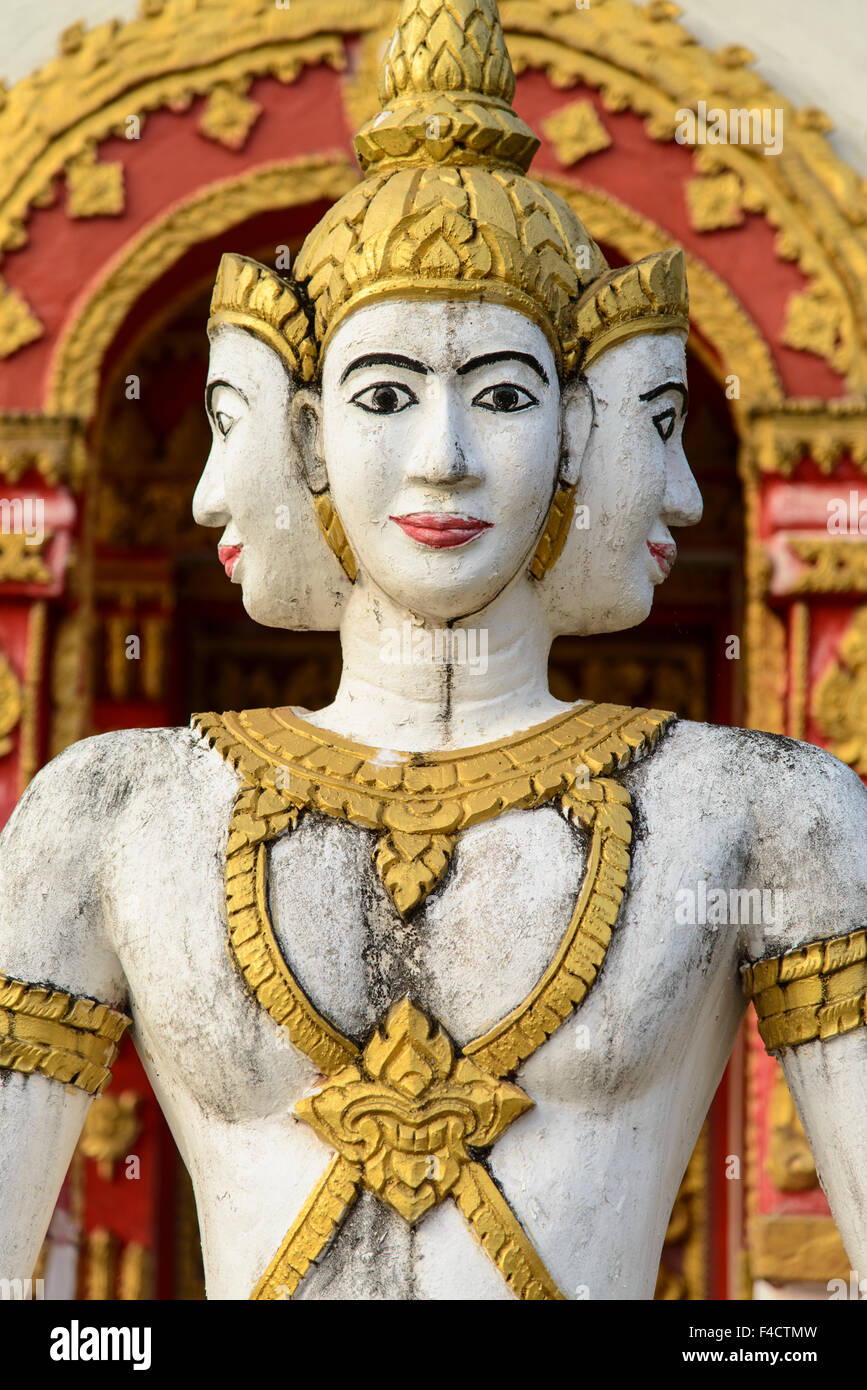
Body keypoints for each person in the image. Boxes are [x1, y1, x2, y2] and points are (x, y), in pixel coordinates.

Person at [0, 0, 864, 1301]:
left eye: (505, 396)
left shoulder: (763, 813)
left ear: (586, 432)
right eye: (386, 394)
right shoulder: (113, 815)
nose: (445, 457)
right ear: (297, 440)